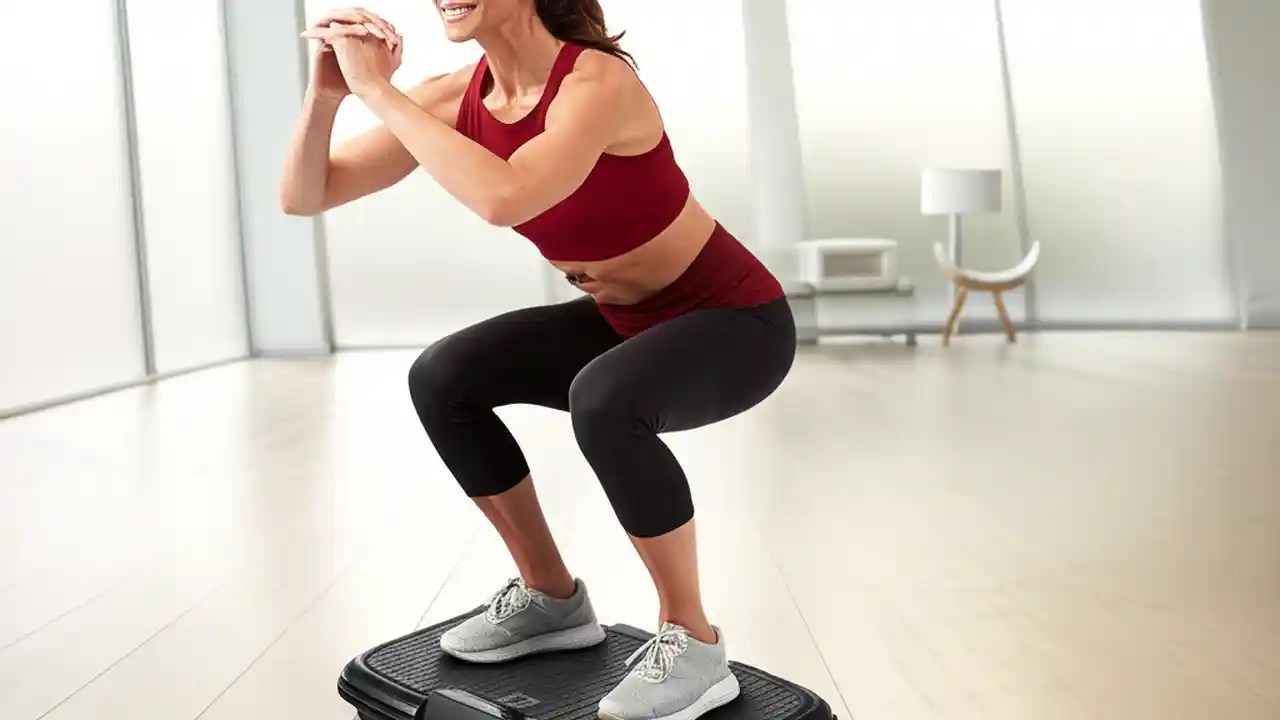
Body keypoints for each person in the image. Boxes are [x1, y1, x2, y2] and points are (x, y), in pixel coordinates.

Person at [280, 2, 796, 718]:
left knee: (605, 398)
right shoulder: (454, 96)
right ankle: (551, 597)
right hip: (624, 319)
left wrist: (380, 92)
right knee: (444, 377)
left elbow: (506, 195)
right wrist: (329, 95)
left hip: (736, 322)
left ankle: (694, 641)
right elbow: (307, 193)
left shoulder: (596, 84)